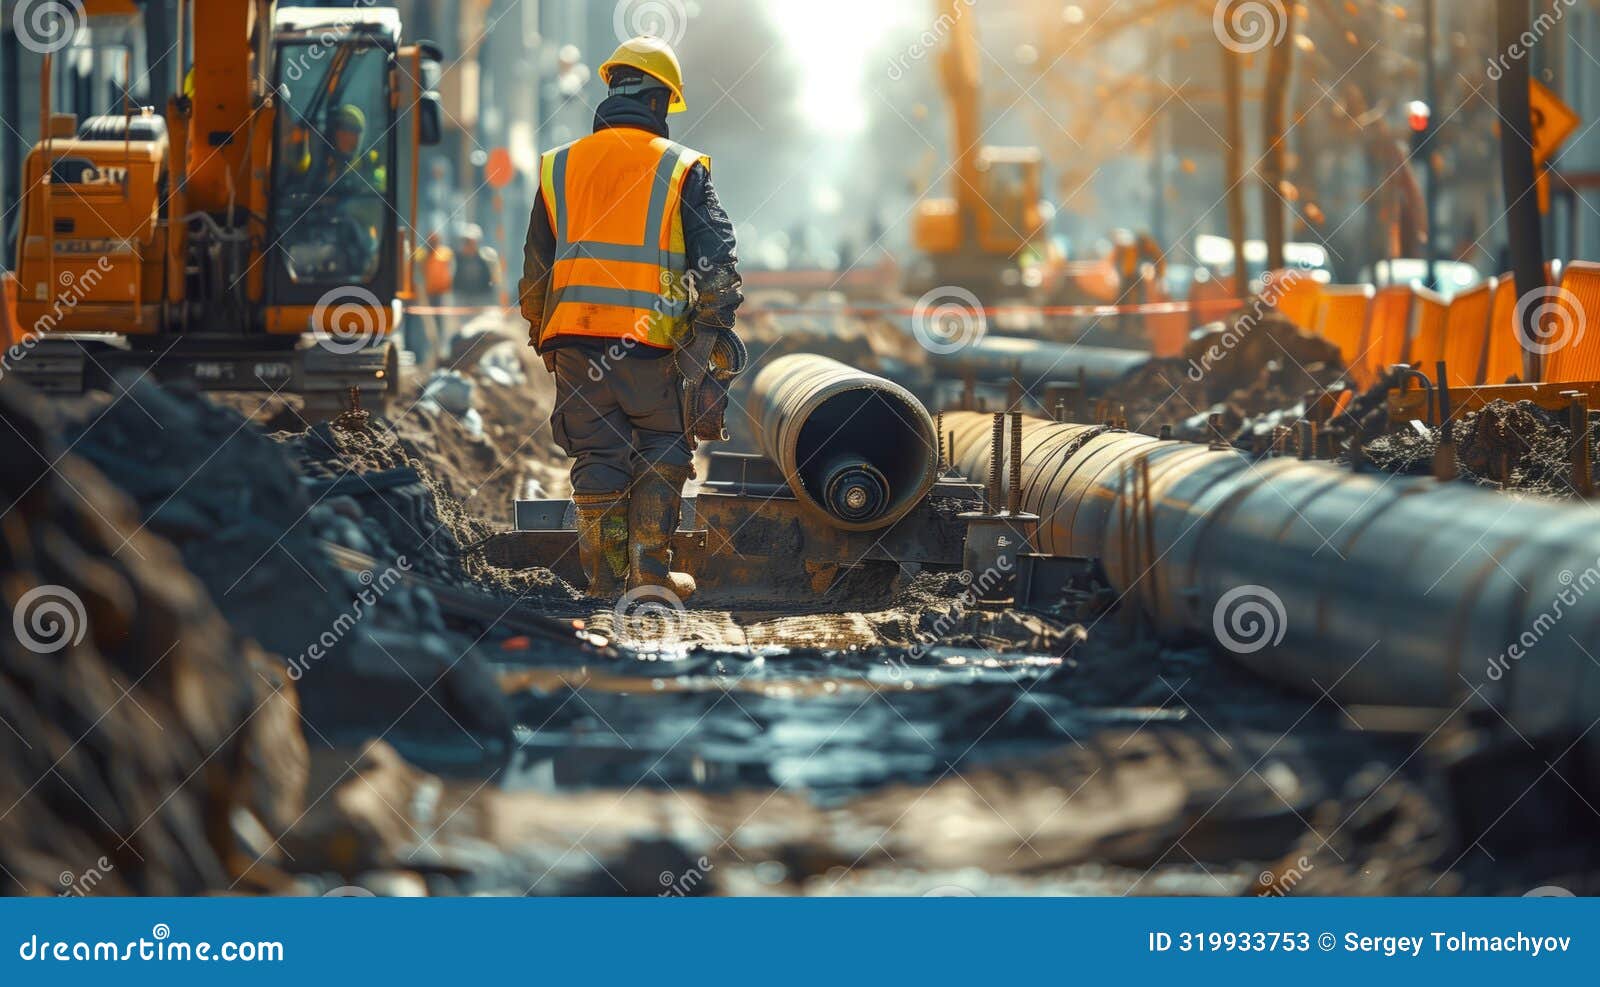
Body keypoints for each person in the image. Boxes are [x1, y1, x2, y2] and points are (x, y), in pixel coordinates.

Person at [519, 35, 742, 601]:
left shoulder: (559, 166)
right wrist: (709, 335)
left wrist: (543, 337)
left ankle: (602, 579)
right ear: (660, 102)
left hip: (573, 343)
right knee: (663, 443)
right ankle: (647, 573)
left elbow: (535, 273)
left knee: (598, 455)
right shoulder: (681, 168)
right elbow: (716, 268)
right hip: (649, 345)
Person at [454, 225, 502, 306]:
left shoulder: (488, 258)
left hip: (484, 300)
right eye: (465, 242)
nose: (467, 245)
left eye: (470, 242)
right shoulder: (457, 259)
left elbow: (495, 280)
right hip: (462, 301)